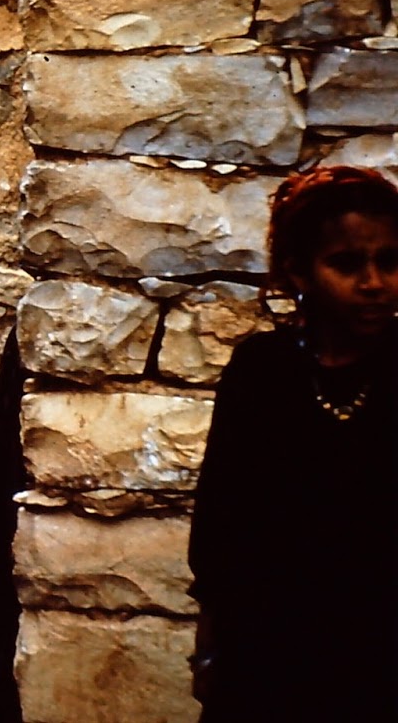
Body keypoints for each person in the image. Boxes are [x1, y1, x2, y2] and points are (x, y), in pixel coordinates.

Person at [187, 166, 398, 721]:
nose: (375, 283)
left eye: (391, 262)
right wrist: (210, 647)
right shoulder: (262, 371)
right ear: (298, 271)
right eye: (348, 264)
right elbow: (219, 522)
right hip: (271, 651)